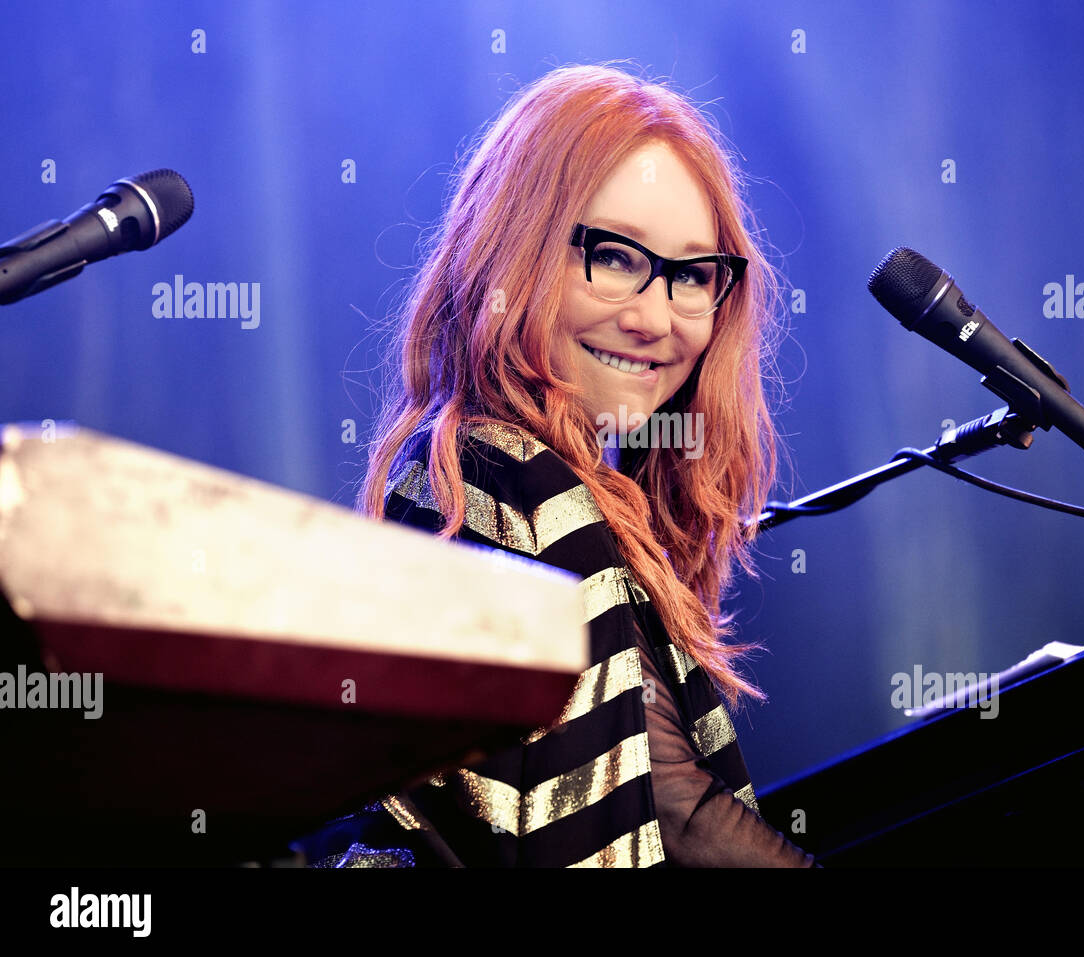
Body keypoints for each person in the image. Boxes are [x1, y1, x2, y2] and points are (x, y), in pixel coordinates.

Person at [296, 63, 815, 867]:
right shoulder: (510, 475)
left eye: (692, 275)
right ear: (517, 248)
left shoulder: (488, 471)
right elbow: (677, 812)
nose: (653, 317)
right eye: (612, 257)